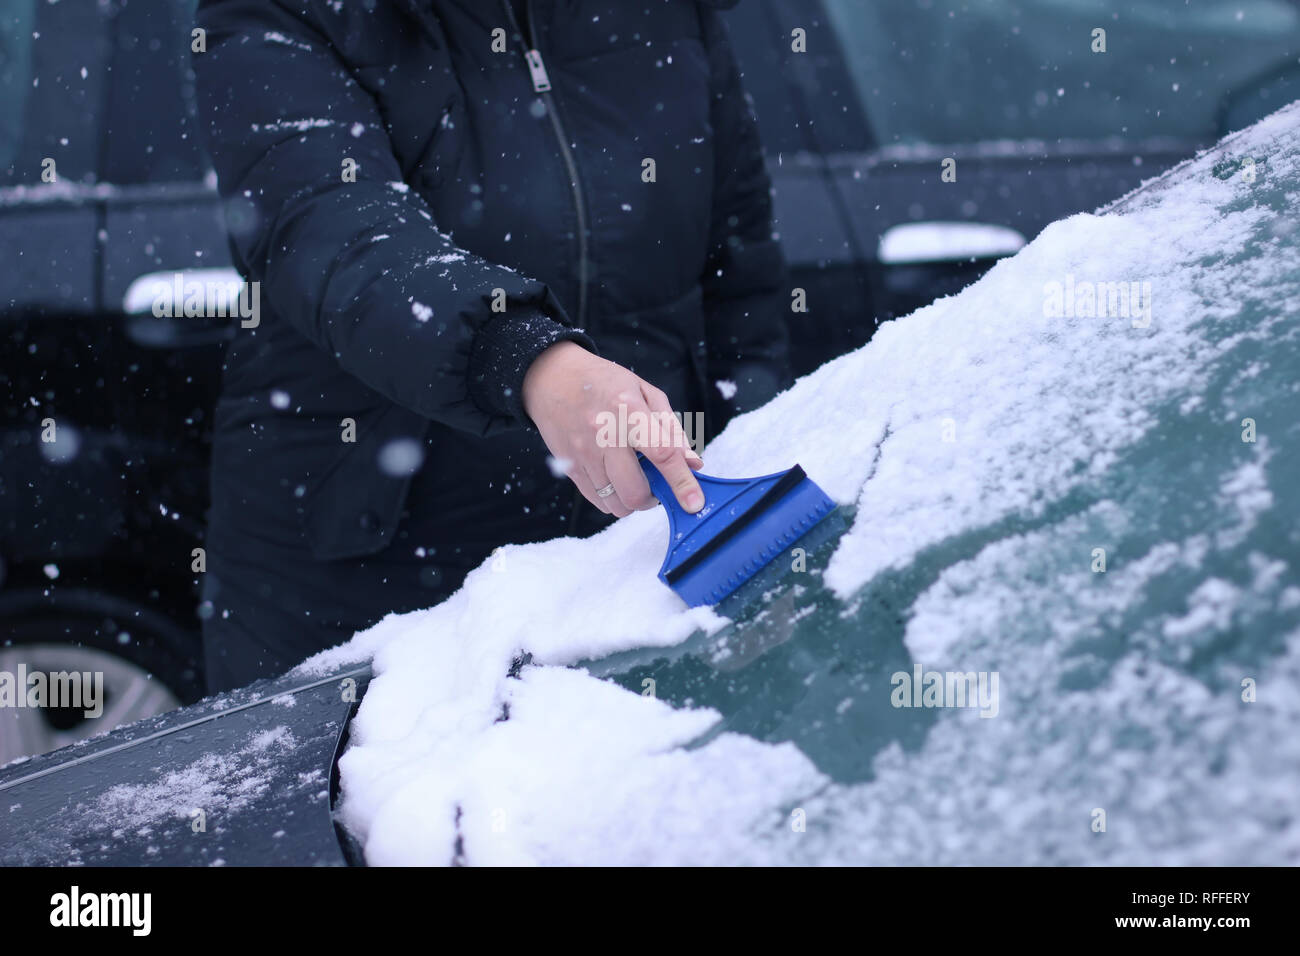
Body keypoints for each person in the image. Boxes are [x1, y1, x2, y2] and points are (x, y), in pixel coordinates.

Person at [192, 0, 792, 693]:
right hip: (364, 590)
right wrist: (524, 356)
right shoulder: (286, 14)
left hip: (637, 560)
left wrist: (747, 463)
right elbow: (334, 232)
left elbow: (740, 277)